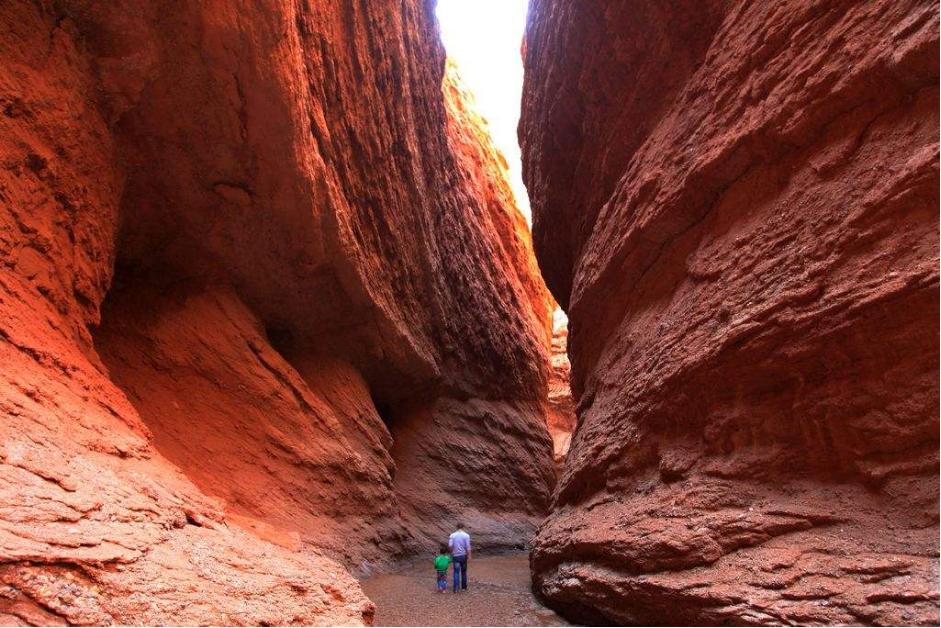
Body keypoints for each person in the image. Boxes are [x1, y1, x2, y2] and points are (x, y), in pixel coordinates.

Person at [448, 523, 471, 592]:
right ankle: (464, 588)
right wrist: (469, 555)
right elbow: (468, 546)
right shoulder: (466, 535)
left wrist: (452, 552)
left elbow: (450, 545)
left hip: (455, 556)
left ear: (456, 527)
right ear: (463, 527)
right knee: (463, 572)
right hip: (463, 555)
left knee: (456, 572)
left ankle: (456, 588)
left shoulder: (452, 535)